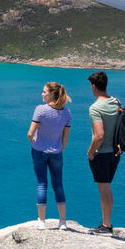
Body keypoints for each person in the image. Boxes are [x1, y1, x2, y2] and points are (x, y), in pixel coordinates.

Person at [27, 81, 72, 230]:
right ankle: (63, 222)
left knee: (41, 185)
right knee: (58, 185)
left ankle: (41, 221)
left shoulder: (40, 110)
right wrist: (60, 149)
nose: (42, 94)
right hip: (57, 153)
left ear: (52, 94)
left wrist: (34, 140)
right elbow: (65, 137)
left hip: (39, 151)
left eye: (44, 91)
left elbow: (30, 133)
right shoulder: (66, 113)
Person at [86, 71, 121, 235]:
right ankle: (107, 222)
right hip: (115, 152)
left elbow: (99, 135)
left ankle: (106, 226)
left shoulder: (95, 108)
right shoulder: (116, 102)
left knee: (104, 189)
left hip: (102, 153)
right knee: (107, 188)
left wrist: (91, 151)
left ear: (93, 86)